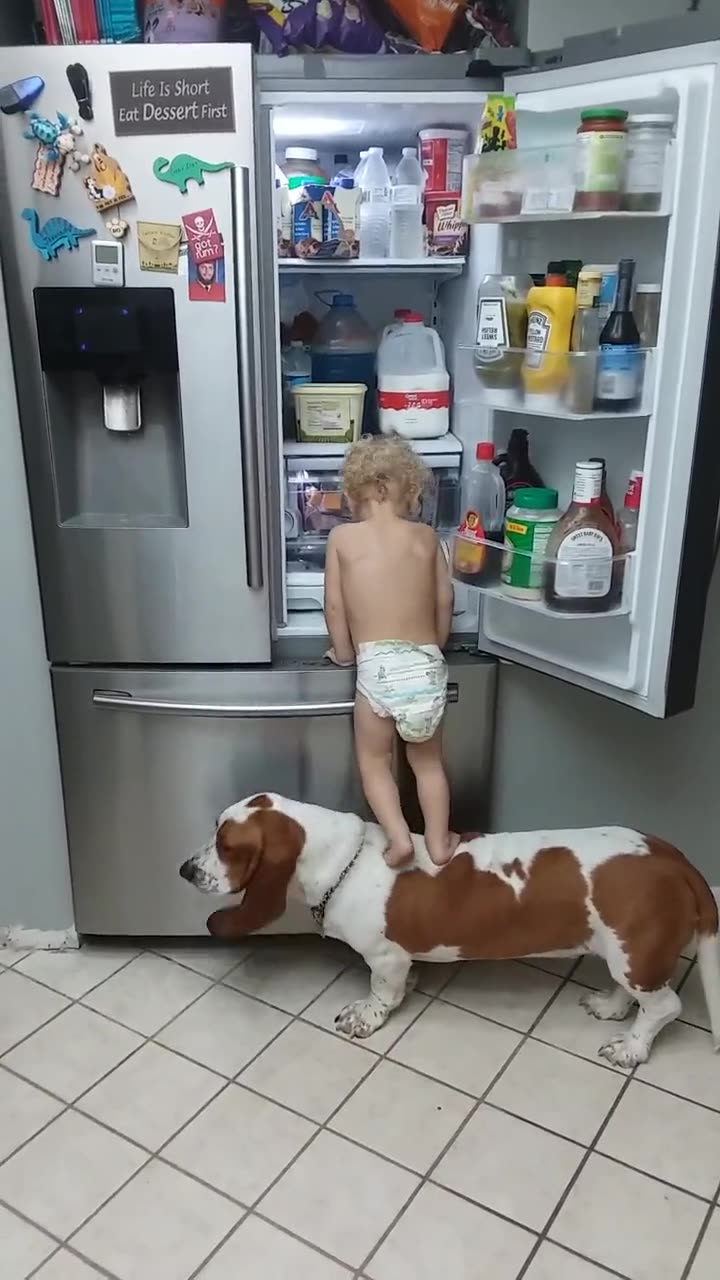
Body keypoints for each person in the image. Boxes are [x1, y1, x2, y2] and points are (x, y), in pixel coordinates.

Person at [324, 436, 457, 868]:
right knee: (429, 764)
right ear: (410, 490)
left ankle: (399, 839)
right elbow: (445, 600)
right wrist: (436, 644)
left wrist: (344, 653)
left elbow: (335, 606)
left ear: (353, 491)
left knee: (375, 762)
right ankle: (439, 842)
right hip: (426, 664)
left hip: (378, 666)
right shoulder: (426, 537)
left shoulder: (342, 538)